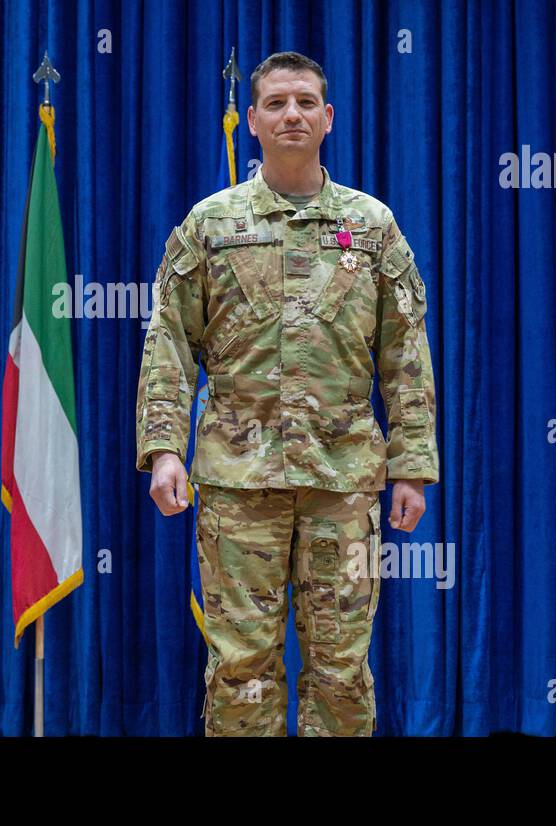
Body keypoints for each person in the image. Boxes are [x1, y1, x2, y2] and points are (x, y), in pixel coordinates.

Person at [135, 51, 439, 736]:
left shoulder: (371, 225)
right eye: (275, 103)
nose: (291, 114)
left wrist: (412, 468)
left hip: (344, 482)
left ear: (328, 119)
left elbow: (405, 354)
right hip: (239, 483)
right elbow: (170, 343)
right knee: (240, 671)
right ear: (253, 121)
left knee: (342, 671)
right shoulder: (211, 225)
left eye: (305, 102)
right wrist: (162, 450)